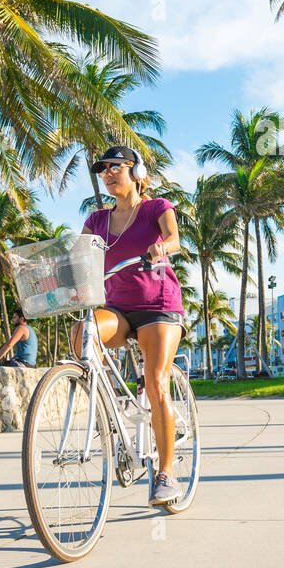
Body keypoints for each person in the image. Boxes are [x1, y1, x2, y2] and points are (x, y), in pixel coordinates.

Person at [75, 146, 187, 508]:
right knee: (83, 333)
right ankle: (110, 408)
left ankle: (167, 474)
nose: (107, 174)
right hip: (119, 308)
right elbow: (79, 256)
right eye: (102, 170)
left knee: (156, 382)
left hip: (158, 307)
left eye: (115, 167)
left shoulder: (157, 208)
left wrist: (161, 248)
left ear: (135, 171)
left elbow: (174, 239)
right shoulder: (96, 220)